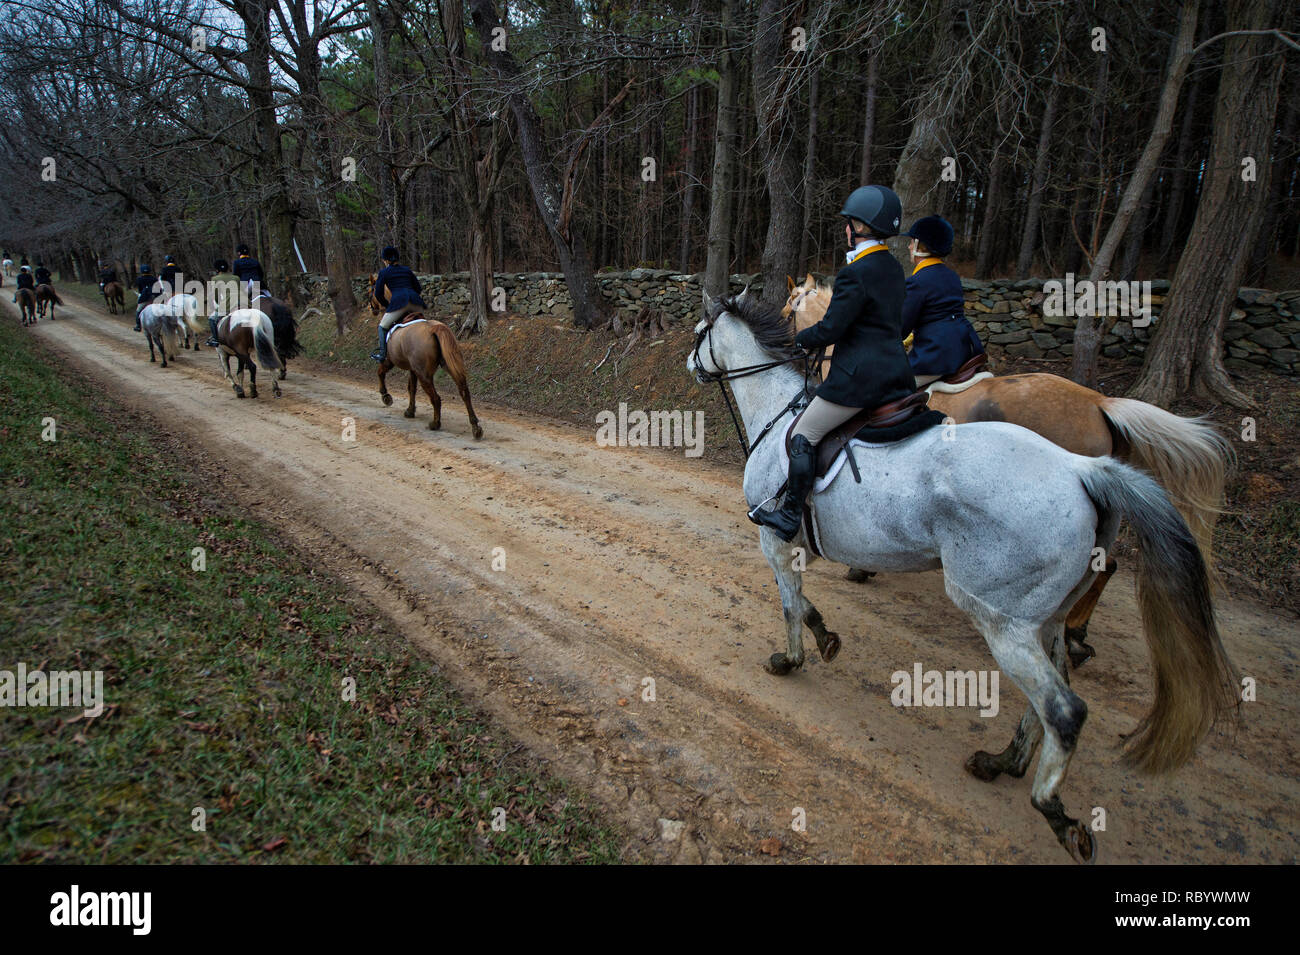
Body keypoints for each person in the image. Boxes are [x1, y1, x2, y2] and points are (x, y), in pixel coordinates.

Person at [751, 186, 938, 543]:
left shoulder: (855, 272)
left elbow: (834, 326)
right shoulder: (895, 269)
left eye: (849, 223)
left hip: (860, 381)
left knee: (803, 434)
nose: (846, 230)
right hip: (897, 375)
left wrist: (802, 339)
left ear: (860, 227)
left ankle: (790, 515)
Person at [899, 216, 984, 387]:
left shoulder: (917, 281)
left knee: (889, 386)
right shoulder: (951, 276)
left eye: (911, 242)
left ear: (919, 247)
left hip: (937, 354)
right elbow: (937, 316)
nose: (908, 246)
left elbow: (900, 327)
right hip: (965, 347)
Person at [370, 246, 426, 363]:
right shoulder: (407, 270)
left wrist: (387, 305)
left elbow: (379, 294)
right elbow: (418, 288)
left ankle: (382, 355)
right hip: (416, 303)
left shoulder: (384, 272)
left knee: (382, 327)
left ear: (385, 260)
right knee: (425, 325)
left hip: (399, 304)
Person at [206, 259, 239, 346]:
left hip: (226, 306)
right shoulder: (236, 278)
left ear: (217, 270)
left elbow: (216, 296)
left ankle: (215, 339)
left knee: (212, 319)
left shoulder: (215, 279)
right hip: (239, 304)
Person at [134, 264, 162, 331]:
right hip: (154, 298)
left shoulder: (139, 279)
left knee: (138, 311)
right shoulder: (154, 279)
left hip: (145, 299)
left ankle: (138, 325)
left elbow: (140, 290)